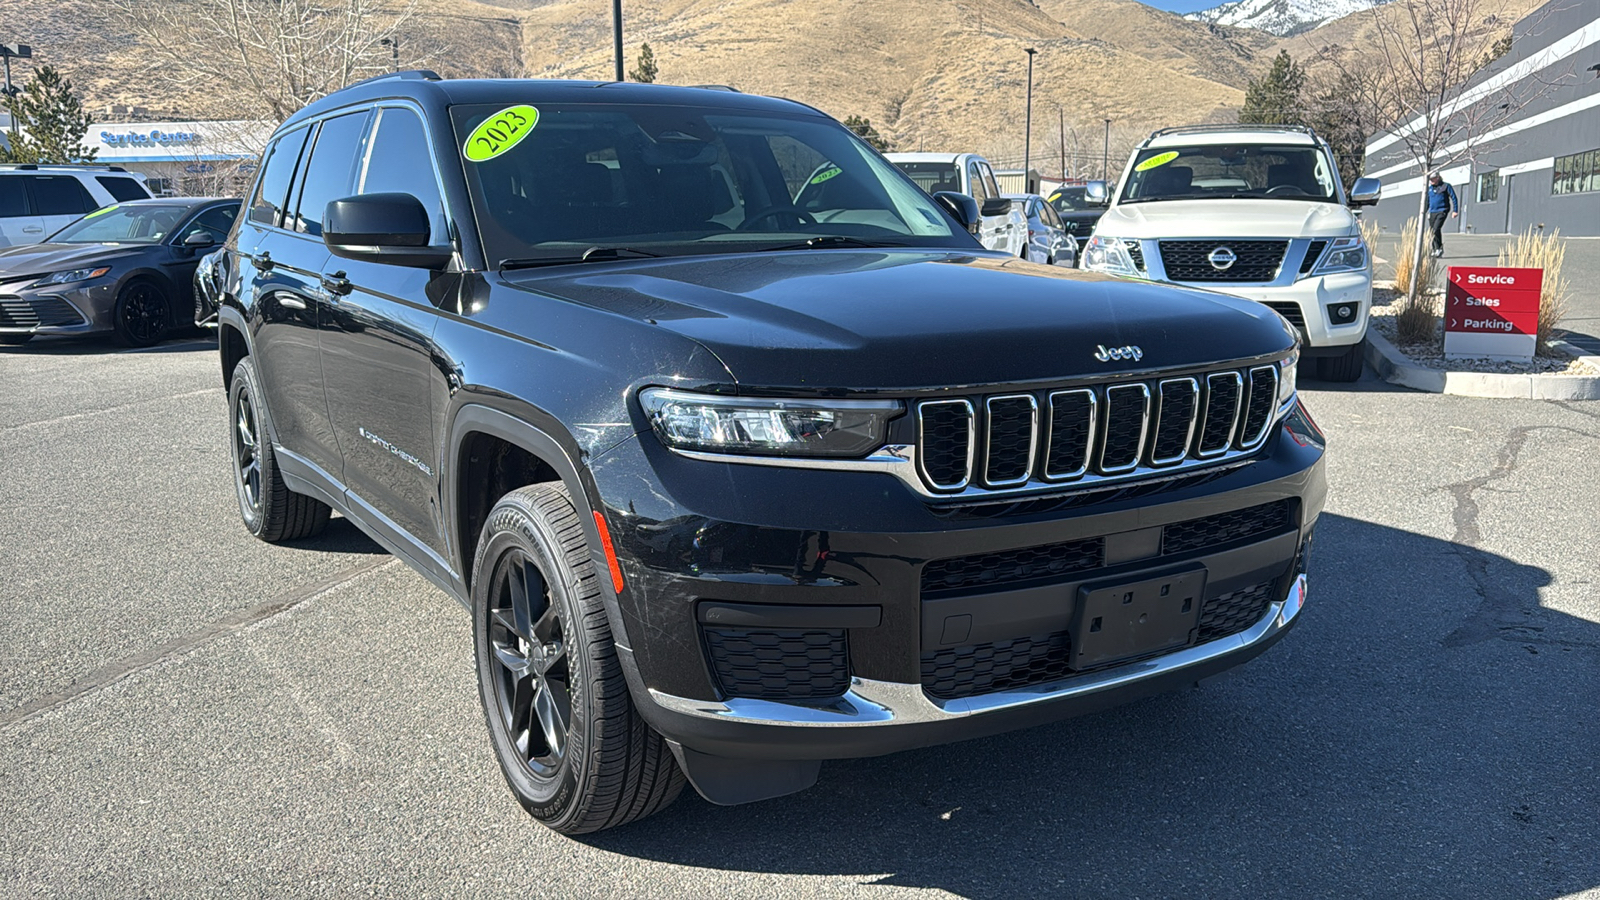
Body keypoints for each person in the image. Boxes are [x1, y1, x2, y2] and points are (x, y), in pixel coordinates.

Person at [1425, 172, 1458, 258]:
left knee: (1436, 228)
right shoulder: (1429, 189)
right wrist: (1424, 212)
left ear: (1438, 178)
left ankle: (1439, 248)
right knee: (1432, 231)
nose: (1431, 181)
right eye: (1430, 179)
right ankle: (1434, 249)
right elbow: (1428, 202)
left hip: (1442, 210)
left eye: (1433, 179)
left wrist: (1455, 210)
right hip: (1432, 211)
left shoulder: (1446, 186)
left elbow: (1454, 198)